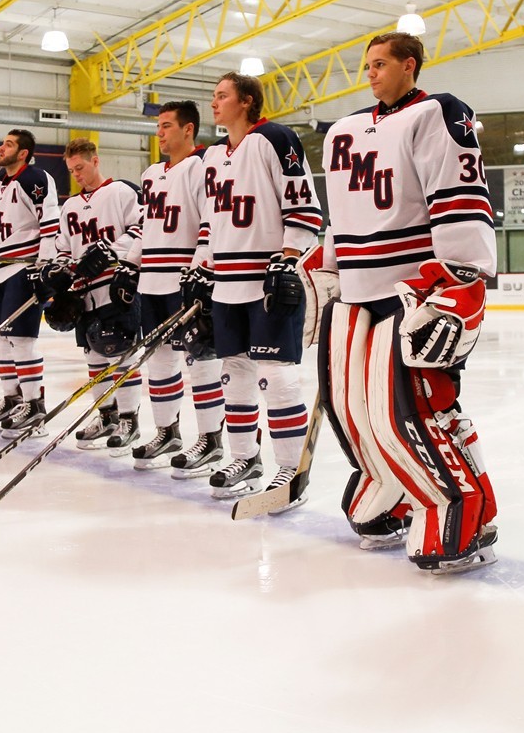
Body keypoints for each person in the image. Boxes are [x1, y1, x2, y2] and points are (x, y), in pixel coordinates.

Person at [308, 31, 500, 570]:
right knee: (353, 410)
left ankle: (463, 507)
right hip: (355, 289)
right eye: (366, 65)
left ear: (409, 66)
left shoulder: (437, 114)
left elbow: (460, 196)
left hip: (410, 289)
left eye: (379, 64)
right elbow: (339, 214)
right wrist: (325, 266)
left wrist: (461, 278)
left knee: (412, 412)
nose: (369, 73)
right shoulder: (344, 131)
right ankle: (388, 488)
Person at [185, 71, 322, 502]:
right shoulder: (210, 157)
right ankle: (245, 457)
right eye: (213, 95)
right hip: (225, 284)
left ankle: (289, 469)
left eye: (221, 95)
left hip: (267, 280)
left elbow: (305, 210)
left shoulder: (276, 139)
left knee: (277, 378)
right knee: (235, 375)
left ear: (246, 101)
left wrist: (288, 257)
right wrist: (200, 264)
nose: (214, 102)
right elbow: (210, 221)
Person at [127, 101, 225, 473]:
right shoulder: (151, 173)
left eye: (167, 126)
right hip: (152, 280)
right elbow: (148, 224)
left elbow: (211, 220)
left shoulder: (202, 166)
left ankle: (210, 439)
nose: (160, 133)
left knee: (200, 360)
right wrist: (129, 264)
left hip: (184, 281)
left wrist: (199, 269)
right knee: (159, 360)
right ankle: (167, 431)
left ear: (188, 129)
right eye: (158, 126)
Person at [38, 137, 144, 452]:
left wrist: (111, 250)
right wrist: (57, 272)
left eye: (80, 167)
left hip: (117, 287)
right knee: (94, 356)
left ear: (95, 160)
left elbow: (142, 227)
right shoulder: (69, 206)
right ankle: (107, 415)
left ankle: (129, 420)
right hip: (84, 294)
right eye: (72, 170)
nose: (77, 175)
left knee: (122, 353)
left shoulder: (122, 192)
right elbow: (63, 249)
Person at [0, 129, 61, 436]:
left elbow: (50, 222)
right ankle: (13, 398)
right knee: (0, 338)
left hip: (23, 267)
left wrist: (44, 267)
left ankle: (34, 407)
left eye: (8, 145)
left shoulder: (35, 178)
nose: (1, 148)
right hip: (1, 268)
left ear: (23, 153)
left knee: (22, 340)